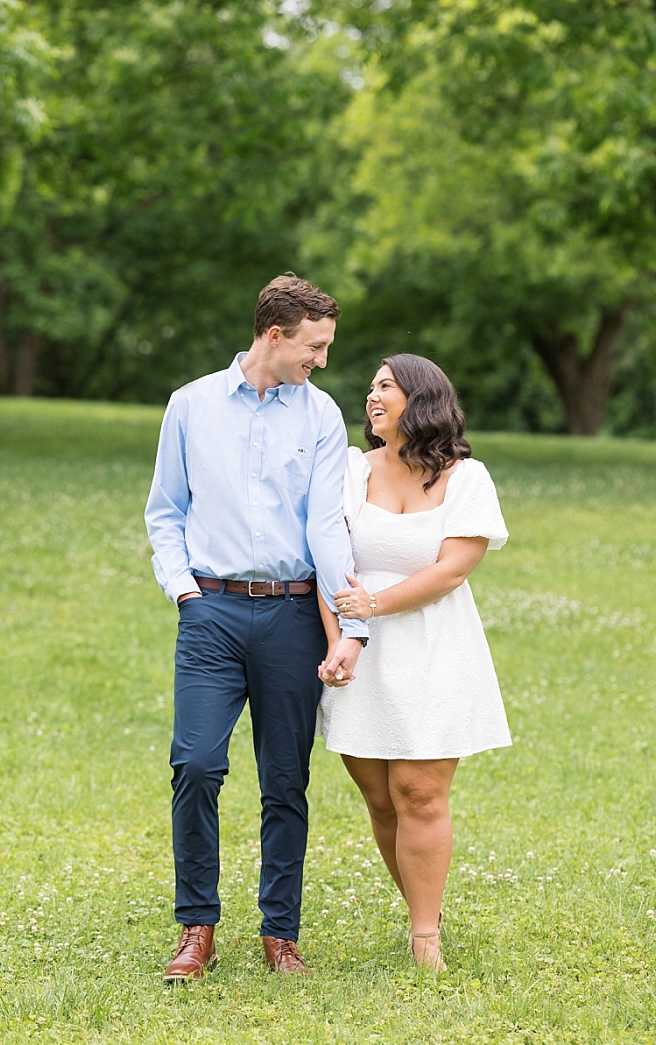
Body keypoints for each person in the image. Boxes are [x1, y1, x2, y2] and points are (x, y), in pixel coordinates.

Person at [145, 274, 369, 981]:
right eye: (315, 345)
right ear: (275, 334)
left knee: (285, 779)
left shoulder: (322, 416)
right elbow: (165, 510)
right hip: (209, 611)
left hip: (293, 614)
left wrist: (348, 629)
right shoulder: (190, 406)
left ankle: (282, 934)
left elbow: (326, 526)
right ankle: (196, 927)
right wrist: (185, 592)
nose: (323, 360)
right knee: (197, 764)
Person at [318, 354, 510, 971]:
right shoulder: (348, 469)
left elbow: (454, 567)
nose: (371, 396)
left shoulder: (466, 477)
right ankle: (417, 908)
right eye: (371, 386)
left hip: (433, 643)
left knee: (420, 791)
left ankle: (426, 937)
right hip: (355, 646)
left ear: (421, 400)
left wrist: (374, 604)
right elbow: (328, 561)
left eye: (386, 387)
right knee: (380, 796)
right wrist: (341, 637)